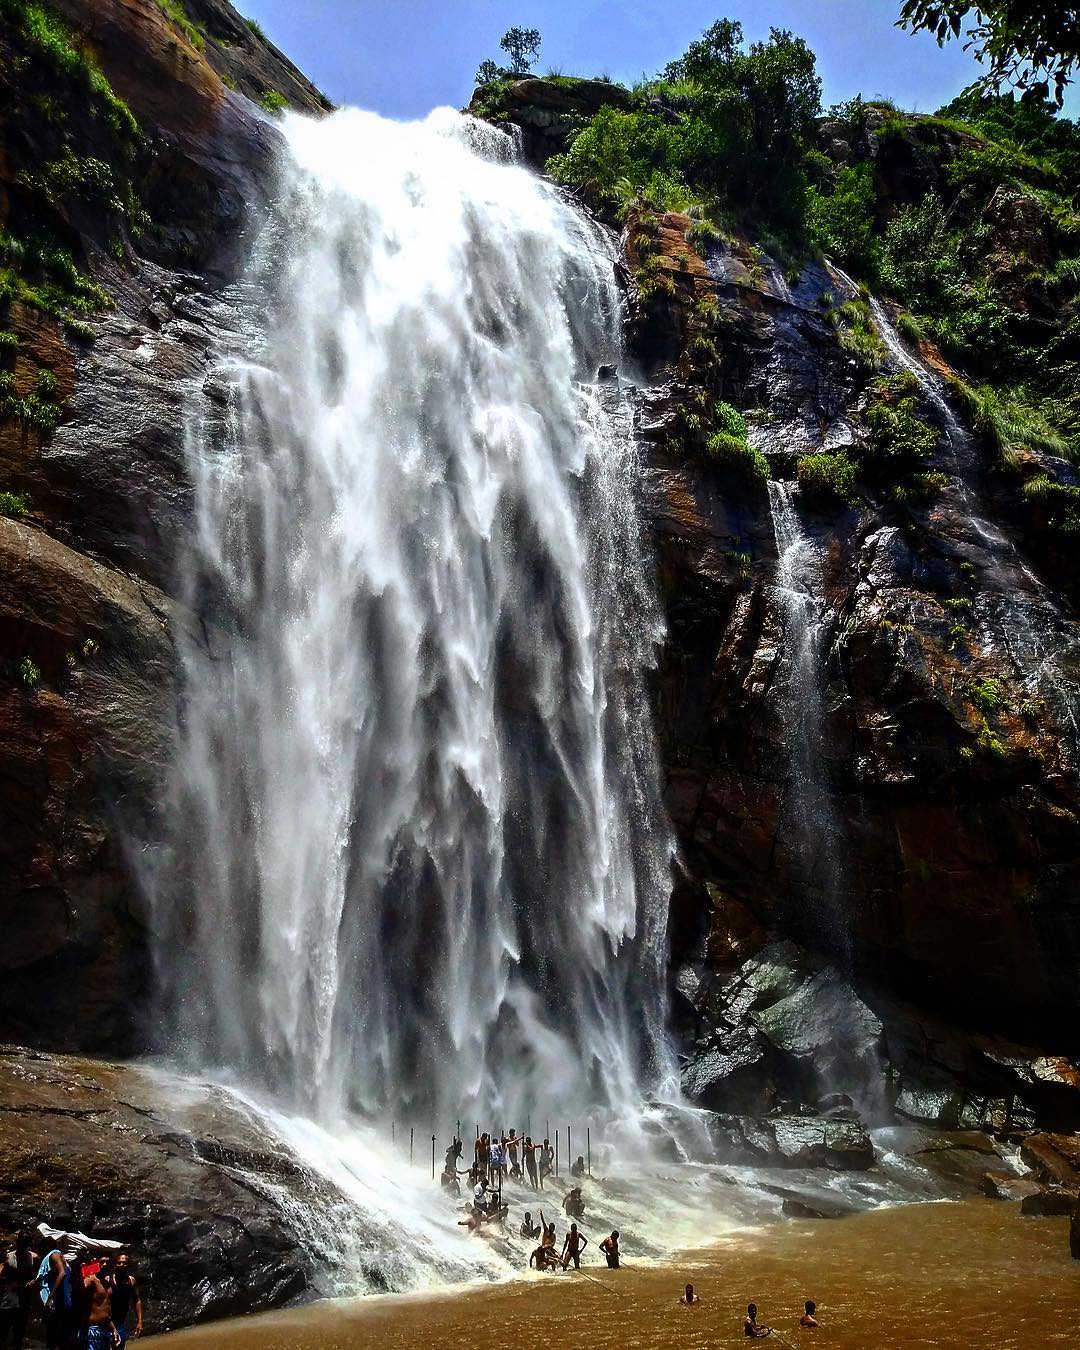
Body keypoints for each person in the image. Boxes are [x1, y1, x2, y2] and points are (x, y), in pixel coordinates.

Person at [1, 1230, 37, 1350]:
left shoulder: (31, 1257)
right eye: (21, 1244)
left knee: (19, 1334)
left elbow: (33, 1276)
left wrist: (32, 1282)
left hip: (23, 1301)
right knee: (3, 1332)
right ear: (17, 1243)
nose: (23, 1247)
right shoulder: (9, 1257)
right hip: (9, 1300)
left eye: (25, 1245)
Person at [38, 1244, 74, 1350]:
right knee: (61, 1339)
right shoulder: (63, 1259)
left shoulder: (54, 1254)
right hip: (65, 1303)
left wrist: (50, 1298)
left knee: (52, 1340)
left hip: (57, 1305)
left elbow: (61, 1274)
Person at [105, 1253, 142, 1344]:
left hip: (120, 1323)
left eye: (124, 1263)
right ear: (115, 1264)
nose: (121, 1265)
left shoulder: (131, 1281)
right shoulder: (107, 1280)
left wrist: (139, 1321)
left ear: (128, 1265)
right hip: (106, 1322)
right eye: (119, 1263)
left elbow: (137, 1300)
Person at [82, 1262, 120, 1350]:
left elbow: (105, 1311)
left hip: (105, 1328)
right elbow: (79, 1289)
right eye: (102, 1262)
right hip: (92, 1330)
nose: (106, 1264)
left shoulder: (107, 1283)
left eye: (108, 1261)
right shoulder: (91, 1279)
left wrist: (113, 1329)